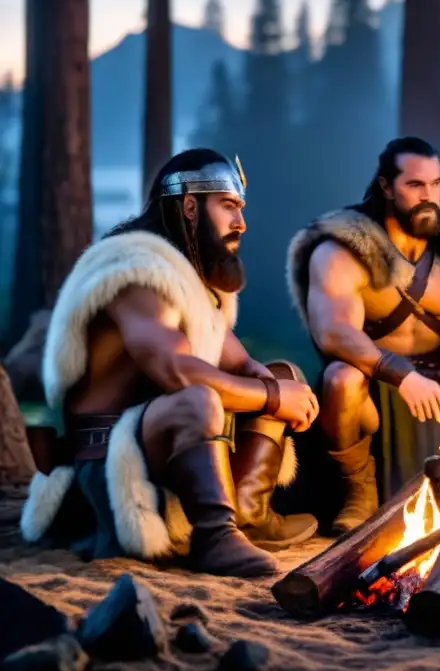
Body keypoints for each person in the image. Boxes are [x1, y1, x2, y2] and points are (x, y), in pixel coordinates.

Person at [19, 149, 320, 577]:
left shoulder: (188, 280)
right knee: (199, 400)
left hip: (151, 446)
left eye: (241, 208)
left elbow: (237, 359)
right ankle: (214, 536)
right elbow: (175, 370)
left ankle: (247, 516)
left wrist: (270, 383)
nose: (241, 222)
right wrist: (272, 398)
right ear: (191, 206)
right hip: (106, 471)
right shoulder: (137, 271)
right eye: (229, 206)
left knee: (281, 375)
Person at [284, 136, 440, 534]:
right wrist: (401, 374)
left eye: (435, 184)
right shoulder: (343, 251)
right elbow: (333, 332)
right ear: (385, 186)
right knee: (340, 378)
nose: (428, 196)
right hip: (372, 378)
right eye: (415, 185)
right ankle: (358, 490)